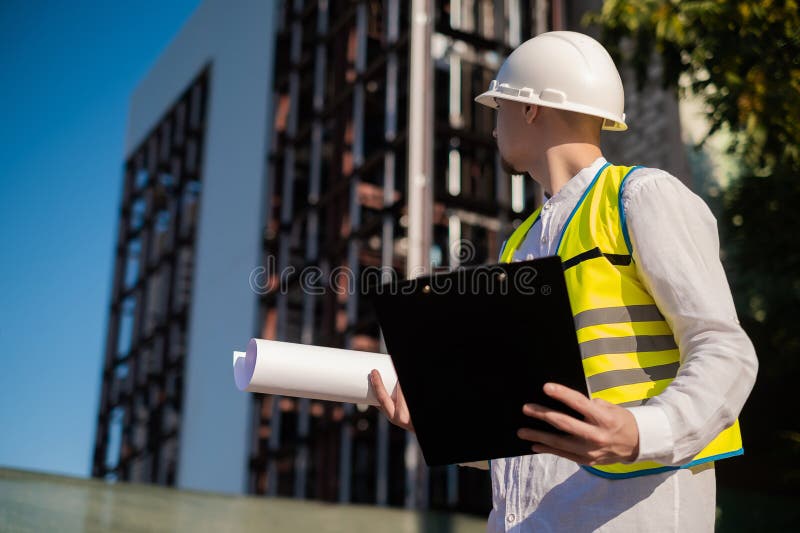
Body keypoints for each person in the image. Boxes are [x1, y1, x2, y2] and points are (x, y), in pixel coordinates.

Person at [369, 31, 758, 532]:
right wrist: (450, 420)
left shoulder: (641, 196)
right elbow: (527, 424)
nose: (493, 128)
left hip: (632, 515)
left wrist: (640, 431)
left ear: (531, 107)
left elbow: (724, 348)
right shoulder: (519, 245)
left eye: (500, 107)